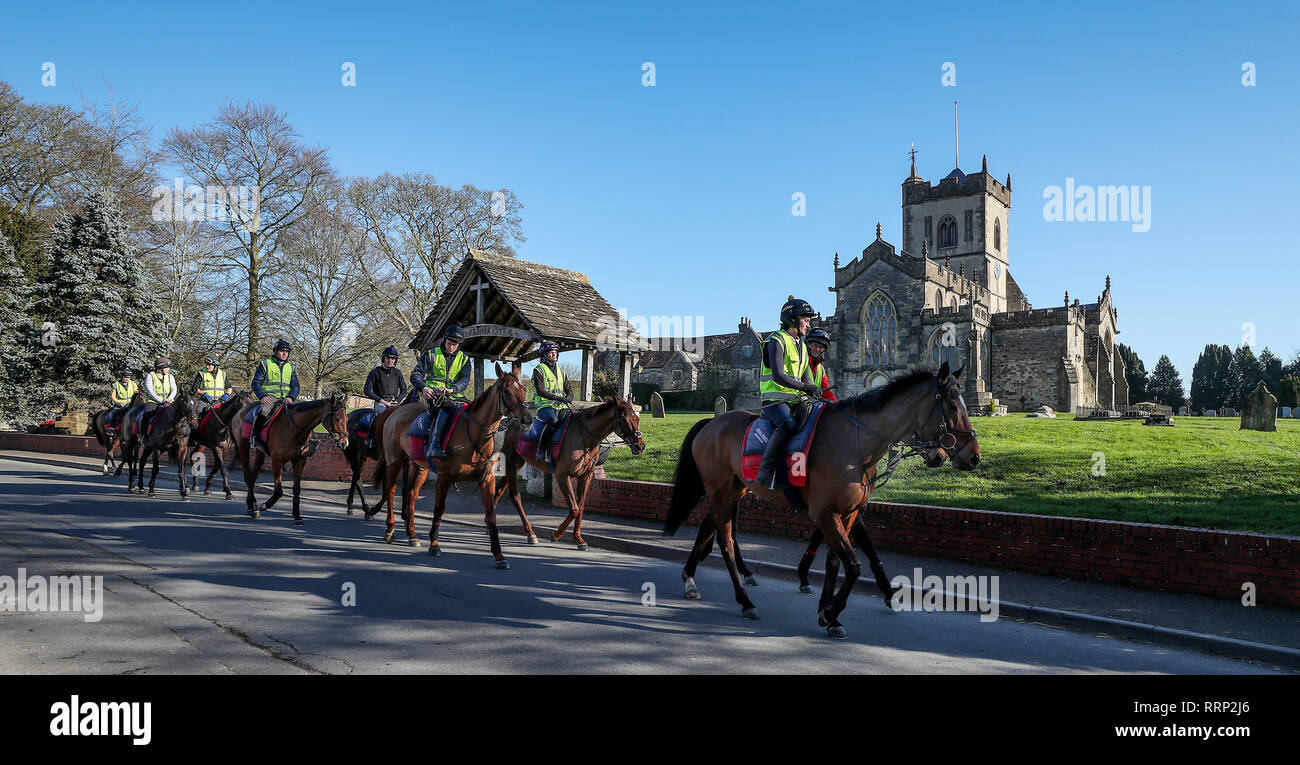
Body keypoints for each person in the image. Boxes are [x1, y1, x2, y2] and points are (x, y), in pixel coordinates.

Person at [756, 298, 822, 487]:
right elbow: (778, 376)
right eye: (806, 320)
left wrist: (815, 392)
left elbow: (807, 378)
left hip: (796, 400)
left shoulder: (801, 345)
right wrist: (805, 388)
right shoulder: (775, 340)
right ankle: (765, 471)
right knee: (787, 424)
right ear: (792, 318)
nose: (809, 325)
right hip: (774, 400)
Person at [411, 325, 470, 459]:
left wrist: (452, 389)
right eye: (449, 344)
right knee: (446, 406)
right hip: (434, 394)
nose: (452, 347)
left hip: (455, 395)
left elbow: (465, 380)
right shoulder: (431, 354)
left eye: (455, 345)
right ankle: (435, 446)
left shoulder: (465, 359)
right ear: (445, 340)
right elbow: (416, 375)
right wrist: (424, 388)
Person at [250, 339, 299, 450]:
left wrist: (291, 397)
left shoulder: (291, 367)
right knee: (264, 410)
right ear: (275, 351)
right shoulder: (265, 364)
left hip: (286, 398)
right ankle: (255, 436)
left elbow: (295, 385)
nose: (285, 353)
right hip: (270, 397)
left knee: (302, 410)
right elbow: (256, 383)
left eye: (287, 351)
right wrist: (262, 396)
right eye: (282, 351)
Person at [528, 339, 571, 462]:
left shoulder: (562, 371)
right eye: (551, 353)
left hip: (561, 407)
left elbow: (568, 388)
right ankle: (542, 450)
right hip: (545, 407)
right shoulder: (538, 370)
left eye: (555, 352)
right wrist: (556, 397)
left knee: (572, 419)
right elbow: (540, 391)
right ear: (544, 355)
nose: (554, 355)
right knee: (553, 420)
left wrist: (570, 396)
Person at [364, 346, 407, 415]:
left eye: (392, 358)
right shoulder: (375, 372)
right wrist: (383, 401)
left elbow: (404, 390)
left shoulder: (398, 373)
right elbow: (367, 391)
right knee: (385, 413)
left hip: (394, 403)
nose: (390, 361)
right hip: (380, 403)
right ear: (384, 358)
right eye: (388, 358)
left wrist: (397, 401)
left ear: (395, 360)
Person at [142, 358, 178, 426]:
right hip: (153, 402)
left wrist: (169, 398)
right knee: (146, 415)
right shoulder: (150, 376)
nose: (169, 369)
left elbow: (174, 389)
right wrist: (161, 400)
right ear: (161, 368)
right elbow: (150, 391)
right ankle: (144, 435)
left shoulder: (170, 377)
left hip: (168, 401)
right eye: (167, 367)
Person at [805, 328, 838, 403]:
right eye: (815, 345)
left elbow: (826, 392)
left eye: (821, 347)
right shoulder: (801, 362)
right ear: (809, 345)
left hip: (812, 404)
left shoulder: (821, 368)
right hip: (797, 402)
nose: (817, 349)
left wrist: (839, 406)